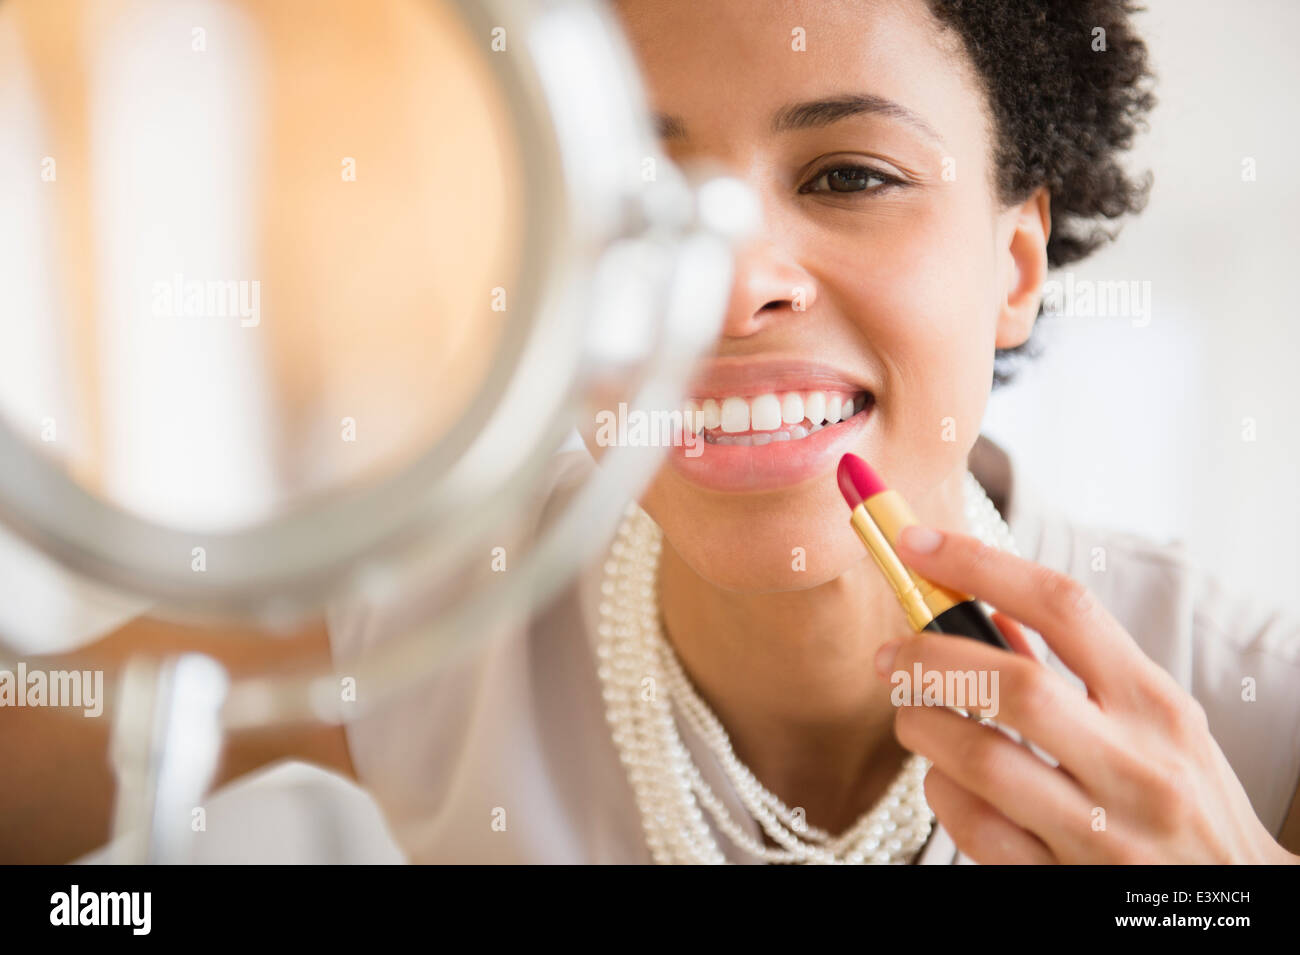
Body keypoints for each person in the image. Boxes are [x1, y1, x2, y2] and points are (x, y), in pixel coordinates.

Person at [325, 0, 1300, 863]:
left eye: (847, 177)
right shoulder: (403, 632)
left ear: (1014, 266)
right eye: (641, 193)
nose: (734, 288)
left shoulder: (1266, 718)